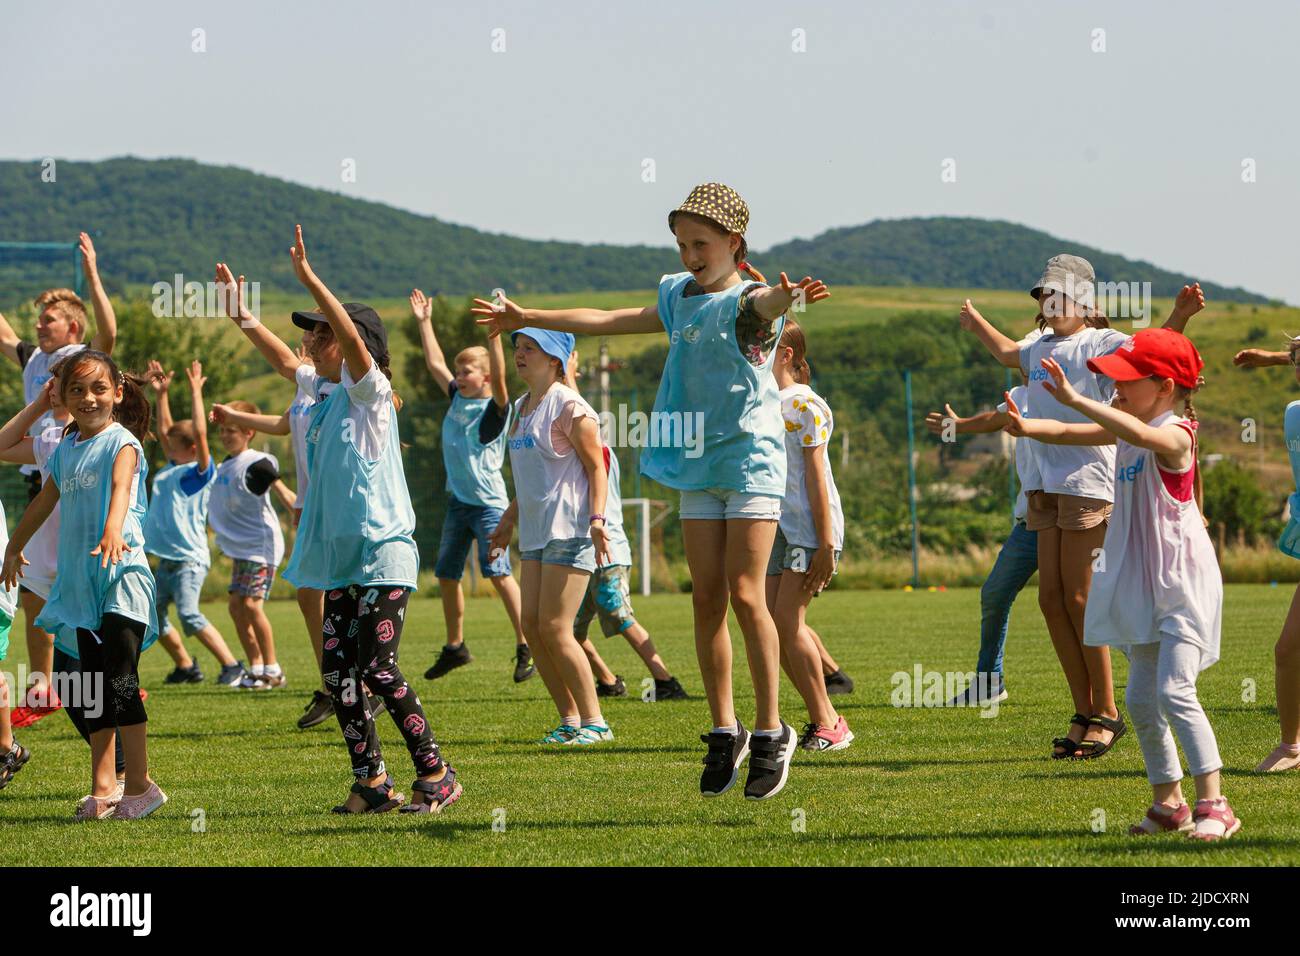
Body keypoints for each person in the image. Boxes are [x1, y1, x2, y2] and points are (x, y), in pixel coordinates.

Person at [475, 183, 829, 800]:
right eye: (682, 244)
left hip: (749, 463)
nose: (690, 255)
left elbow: (766, 304)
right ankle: (726, 729)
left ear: (734, 243)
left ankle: (773, 730)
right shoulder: (676, 295)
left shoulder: (748, 302)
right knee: (706, 600)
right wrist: (528, 317)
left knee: (748, 595)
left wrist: (788, 294)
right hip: (695, 464)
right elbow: (609, 319)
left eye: (701, 244)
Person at [219, 227, 460, 813]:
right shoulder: (322, 394)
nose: (311, 340)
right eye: (313, 331)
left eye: (322, 332)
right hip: (341, 561)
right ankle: (372, 784)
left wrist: (310, 279)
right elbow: (285, 360)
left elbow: (350, 339)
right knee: (339, 675)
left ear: (355, 349)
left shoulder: (368, 394)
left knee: (377, 668)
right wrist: (242, 316)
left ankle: (437, 773)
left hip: (382, 554)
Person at [962, 258, 1203, 758]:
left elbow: (1151, 352)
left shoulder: (1098, 342)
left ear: (1086, 301)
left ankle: (1107, 711)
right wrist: (975, 320)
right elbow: (1006, 352)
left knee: (1080, 599)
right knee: (1051, 600)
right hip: (1043, 487)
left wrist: (1179, 315)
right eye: (1045, 296)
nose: (1051, 305)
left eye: (1062, 296)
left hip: (1088, 485)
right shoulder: (1036, 348)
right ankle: (1082, 709)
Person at [1005, 328, 1238, 840]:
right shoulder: (1127, 431)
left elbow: (1143, 436)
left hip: (1182, 585)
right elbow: (1065, 433)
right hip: (1143, 583)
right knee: (1139, 701)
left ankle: (1215, 803)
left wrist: (1075, 399)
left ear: (1165, 388)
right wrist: (1026, 427)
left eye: (1126, 381)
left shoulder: (1176, 435)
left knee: (1175, 691)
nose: (1115, 389)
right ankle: (1168, 804)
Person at [2, 349, 166, 820]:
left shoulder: (122, 442)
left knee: (120, 680)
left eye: (98, 388)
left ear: (118, 393)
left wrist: (113, 528)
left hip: (121, 575)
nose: (88, 398)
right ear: (63, 395)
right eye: (77, 389)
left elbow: (121, 487)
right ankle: (104, 787)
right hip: (81, 583)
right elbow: (43, 501)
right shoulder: (65, 447)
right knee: (90, 686)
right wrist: (14, 546)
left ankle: (141, 787)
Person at [0, 233, 118, 718]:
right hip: (43, 470)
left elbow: (109, 332)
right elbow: (4, 335)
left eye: (47, 318)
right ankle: (43, 687)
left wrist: (91, 274)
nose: (38, 325)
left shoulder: (83, 358)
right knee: (34, 591)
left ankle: (109, 675)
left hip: (77, 476)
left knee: (80, 586)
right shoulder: (33, 358)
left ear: (72, 326)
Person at [487, 328, 613, 745]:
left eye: (530, 349)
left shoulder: (569, 406)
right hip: (536, 534)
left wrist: (598, 519)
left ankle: (596, 723)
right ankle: (570, 720)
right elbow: (531, 479)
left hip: (570, 530)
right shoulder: (521, 407)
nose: (519, 354)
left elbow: (597, 467)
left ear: (555, 359)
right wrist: (508, 521)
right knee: (532, 627)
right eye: (517, 348)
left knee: (557, 627)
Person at [411, 289, 533, 684]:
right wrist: (425, 322)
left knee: (497, 572)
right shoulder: (456, 400)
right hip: (458, 503)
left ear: (485, 377)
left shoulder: (495, 409)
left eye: (467, 372)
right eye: (458, 372)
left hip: (489, 506)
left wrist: (495, 334)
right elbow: (434, 363)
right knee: (447, 574)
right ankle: (455, 647)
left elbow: (502, 376)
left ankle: (526, 643)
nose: (459, 377)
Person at [559, 350, 686, 701]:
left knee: (618, 613)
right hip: (579, 551)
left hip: (606, 549)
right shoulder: (576, 445)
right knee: (565, 628)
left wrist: (567, 376)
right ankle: (608, 680)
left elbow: (578, 411)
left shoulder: (592, 447)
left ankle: (665, 681)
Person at [924, 331, 1043, 705]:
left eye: (1028, 357)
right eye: (1022, 358)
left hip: (1072, 517)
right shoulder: (1021, 396)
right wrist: (957, 426)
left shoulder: (1071, 395)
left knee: (1086, 601)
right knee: (995, 593)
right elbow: (994, 418)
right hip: (1030, 523)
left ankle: (1144, 671)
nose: (1023, 364)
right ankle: (989, 683)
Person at [766, 318, 852, 751]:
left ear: (786, 356)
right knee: (771, 626)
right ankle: (823, 717)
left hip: (808, 530)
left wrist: (825, 543)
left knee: (787, 623)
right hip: (774, 526)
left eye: (764, 346)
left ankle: (829, 722)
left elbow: (817, 477)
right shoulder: (761, 401)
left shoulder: (804, 404)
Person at [142, 360, 242, 686]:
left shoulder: (198, 474)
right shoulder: (173, 468)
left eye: (174, 445)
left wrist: (196, 391)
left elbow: (200, 432)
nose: (166, 446)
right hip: (167, 561)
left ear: (193, 450)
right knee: (152, 616)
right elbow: (165, 431)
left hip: (189, 560)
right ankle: (186, 666)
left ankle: (232, 665)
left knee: (188, 614)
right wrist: (162, 396)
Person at [1239, 337, 1300, 771]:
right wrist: (1278, 357)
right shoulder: (1293, 413)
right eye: (1297, 359)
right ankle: (1291, 746)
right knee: (1288, 650)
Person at [206, 393, 289, 691]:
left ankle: (273, 669)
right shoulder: (224, 466)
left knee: (252, 606)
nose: (225, 436)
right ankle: (255, 667)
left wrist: (302, 514)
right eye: (223, 430)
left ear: (249, 432)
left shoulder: (257, 463)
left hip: (260, 547)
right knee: (235, 607)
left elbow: (284, 493)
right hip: (242, 550)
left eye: (232, 430)